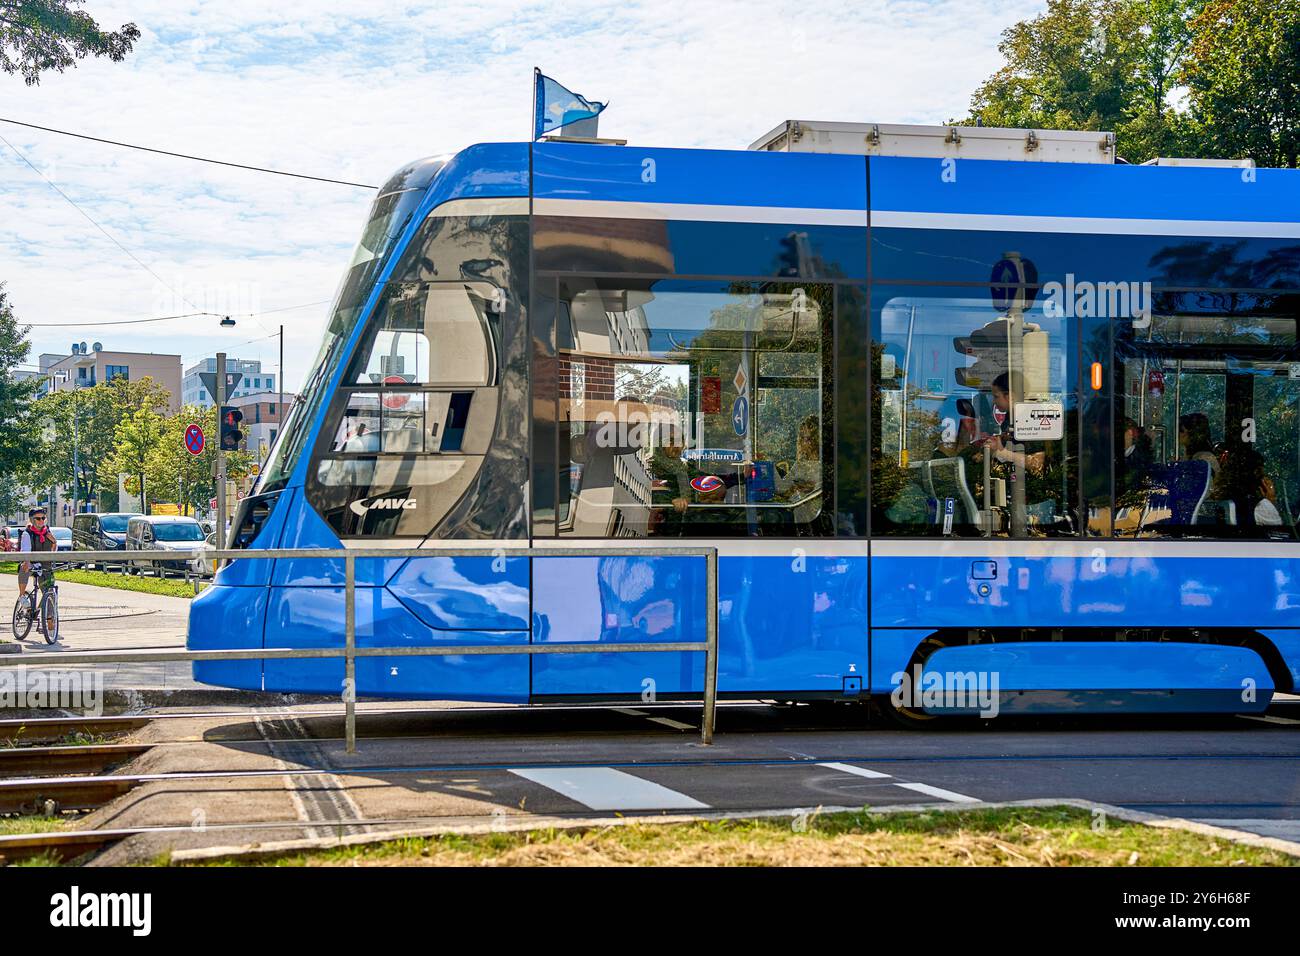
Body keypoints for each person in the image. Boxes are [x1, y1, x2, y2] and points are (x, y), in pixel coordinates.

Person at [17, 506, 57, 602]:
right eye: (38, 518)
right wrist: (27, 562)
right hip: (31, 563)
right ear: (32, 520)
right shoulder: (27, 534)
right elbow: (25, 550)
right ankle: (22, 596)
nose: (41, 521)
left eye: (43, 518)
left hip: (45, 565)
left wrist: (54, 542)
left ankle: (47, 614)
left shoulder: (48, 532)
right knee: (24, 568)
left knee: (49, 594)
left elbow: (54, 552)